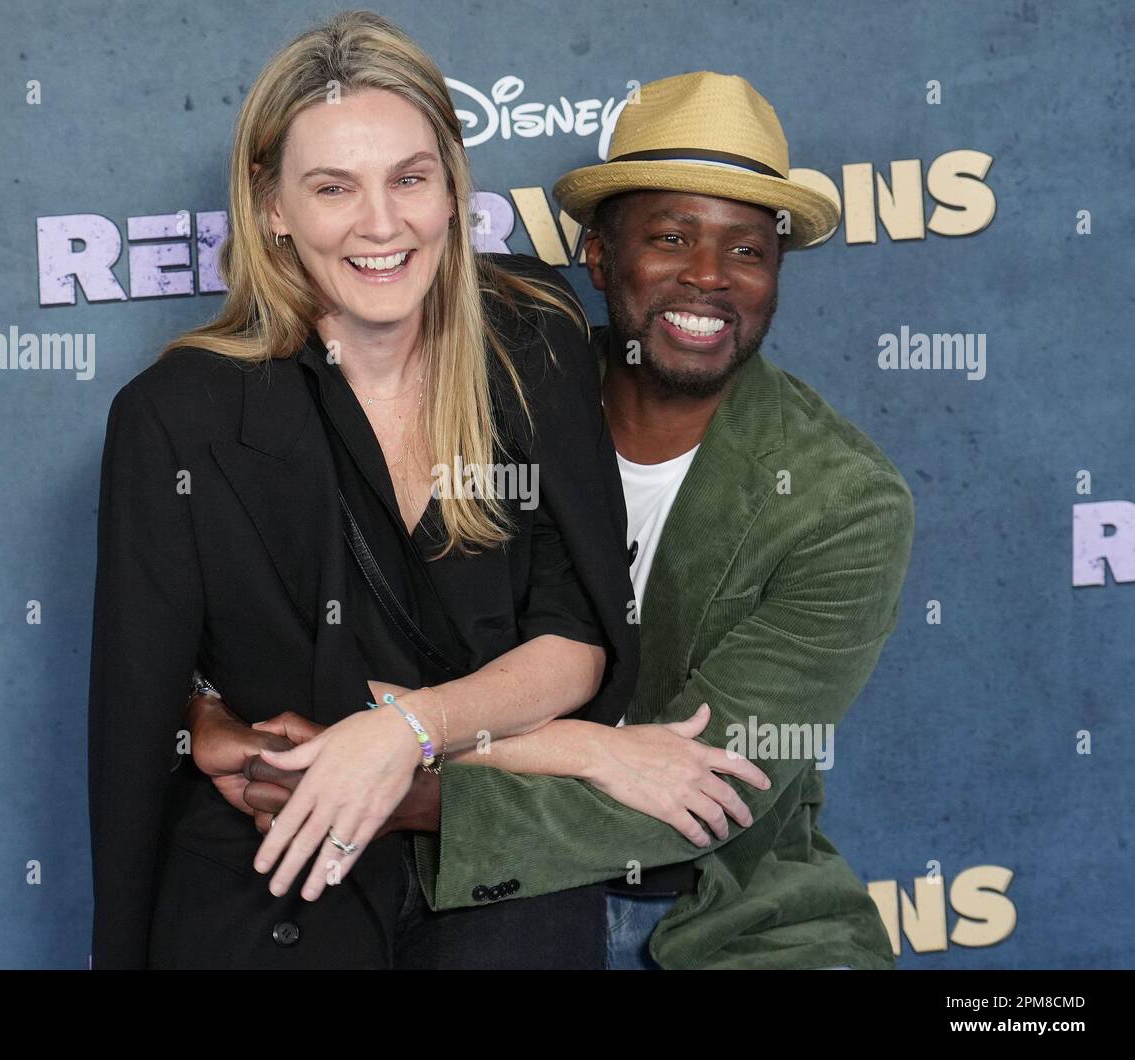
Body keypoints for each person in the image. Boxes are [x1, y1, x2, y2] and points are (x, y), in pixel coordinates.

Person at [88, 14, 764, 971]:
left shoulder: (535, 332)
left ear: (451, 185)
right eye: (333, 188)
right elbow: (261, 722)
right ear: (270, 205)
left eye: (409, 177)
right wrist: (586, 752)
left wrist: (404, 729)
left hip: (491, 841)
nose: (381, 224)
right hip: (276, 841)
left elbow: (575, 638)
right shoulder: (176, 416)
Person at [198, 70, 914, 971]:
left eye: (747, 251)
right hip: (453, 902)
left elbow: (711, 781)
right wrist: (219, 708)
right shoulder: (479, 394)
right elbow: (318, 630)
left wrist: (397, 782)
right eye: (670, 237)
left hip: (722, 910)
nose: (707, 277)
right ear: (599, 255)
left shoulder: (842, 501)